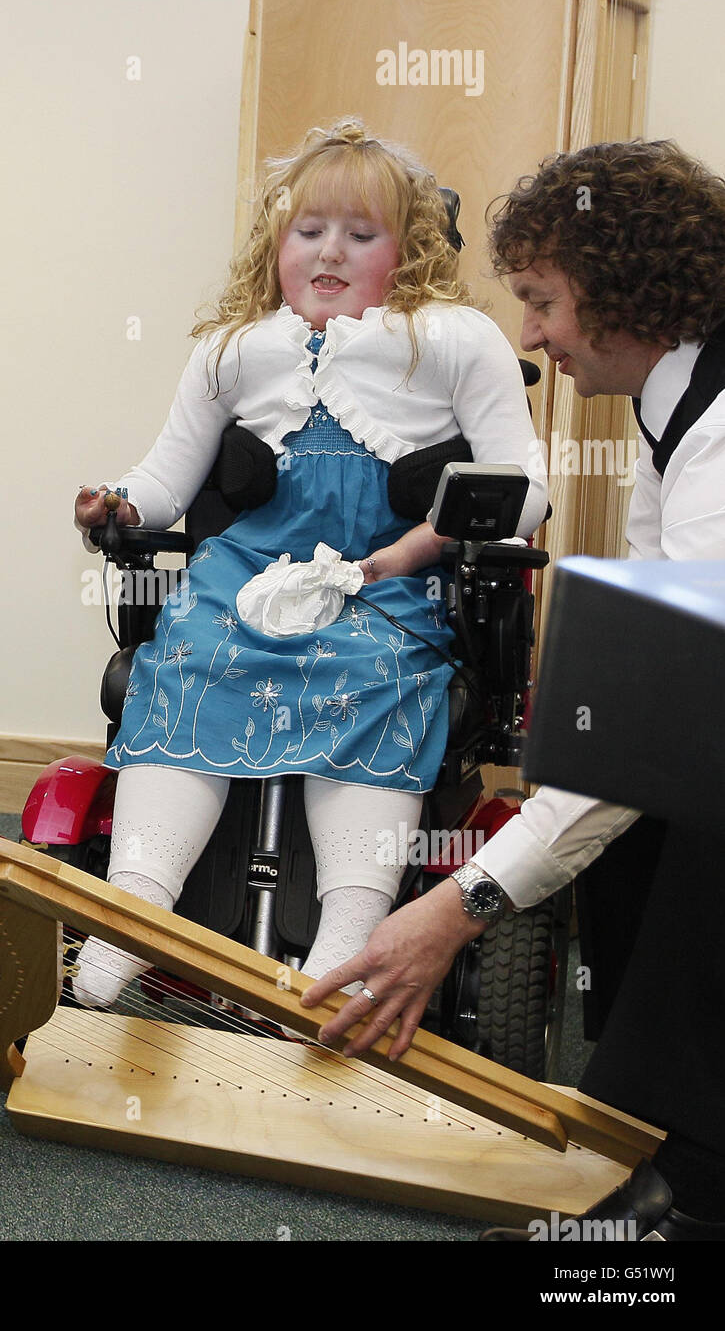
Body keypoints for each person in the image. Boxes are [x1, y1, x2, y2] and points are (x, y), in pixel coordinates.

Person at [302, 138, 725, 1241]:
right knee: (628, 796)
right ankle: (665, 1147)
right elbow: (642, 688)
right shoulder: (671, 402)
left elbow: (672, 715)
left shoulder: (719, 430)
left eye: (541, 303)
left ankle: (686, 1201)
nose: (531, 336)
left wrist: (456, 906)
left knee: (691, 796)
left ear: (625, 288)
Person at [70, 119, 547, 1008]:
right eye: (308, 231)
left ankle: (343, 944)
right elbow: (166, 479)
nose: (330, 251)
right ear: (274, 243)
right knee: (187, 656)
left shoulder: (450, 338)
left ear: (407, 254)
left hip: (387, 582)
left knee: (366, 674)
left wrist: (459, 525)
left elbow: (528, 487)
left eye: (361, 236)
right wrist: (120, 505)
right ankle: (132, 913)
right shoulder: (233, 348)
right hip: (244, 579)